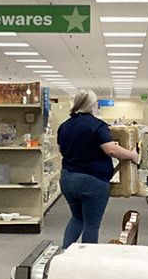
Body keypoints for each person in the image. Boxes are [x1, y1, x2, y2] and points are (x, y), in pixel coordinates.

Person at [58, 89, 140, 247]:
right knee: (91, 224)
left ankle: (65, 254)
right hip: (91, 182)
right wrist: (132, 155)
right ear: (92, 106)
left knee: (77, 218)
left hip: (67, 179)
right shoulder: (97, 125)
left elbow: (61, 150)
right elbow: (111, 150)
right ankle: (88, 263)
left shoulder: (64, 126)